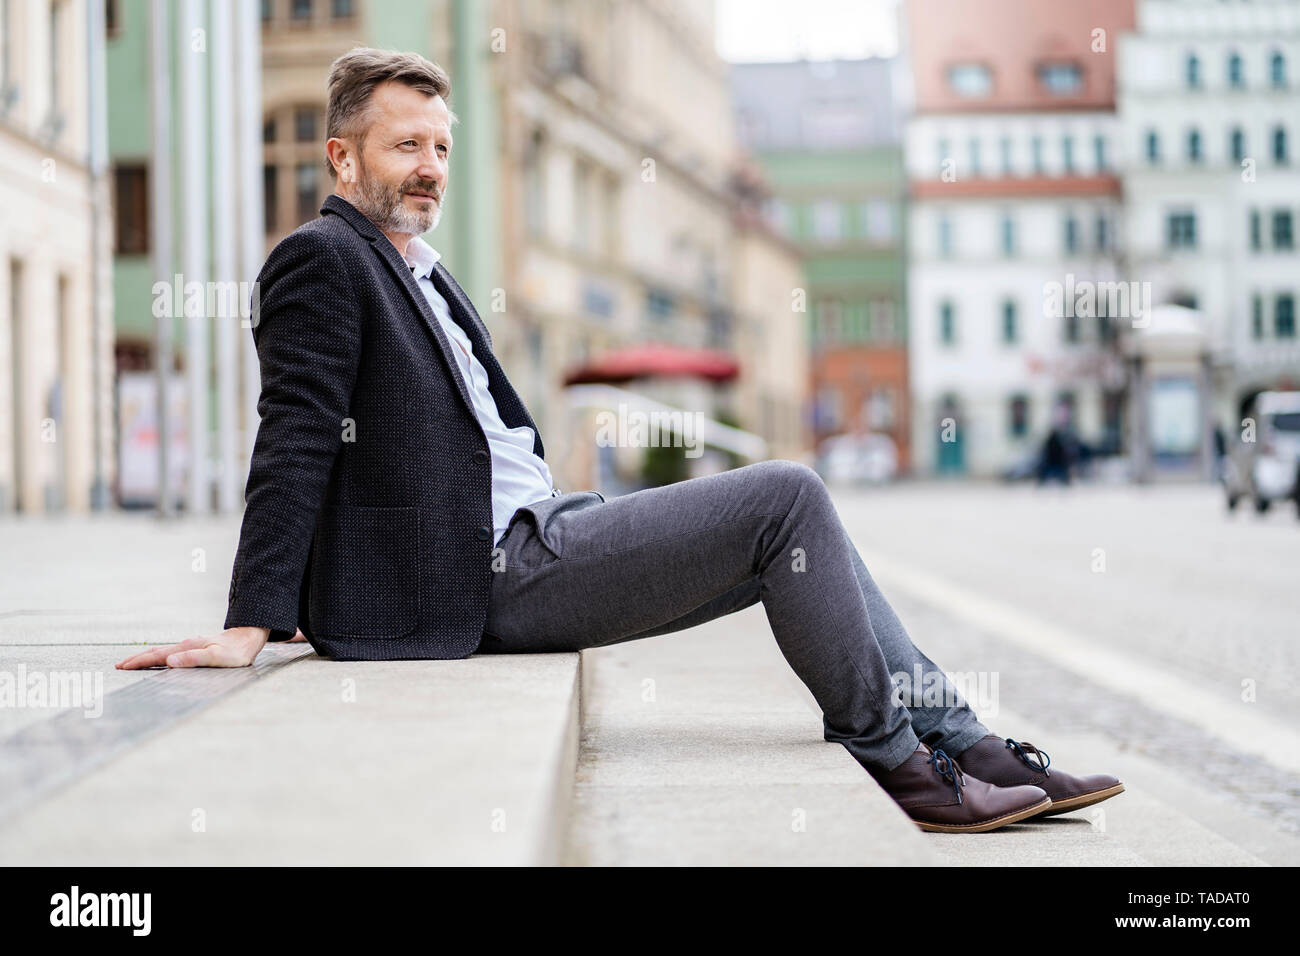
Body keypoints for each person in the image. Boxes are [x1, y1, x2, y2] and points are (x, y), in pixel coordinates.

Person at [117, 48, 1123, 834]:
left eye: (439, 148)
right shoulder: (320, 258)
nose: (429, 169)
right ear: (340, 157)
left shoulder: (417, 264)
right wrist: (254, 615)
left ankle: (969, 746)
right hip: (480, 567)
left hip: (539, 525)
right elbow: (294, 434)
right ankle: (901, 760)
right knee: (784, 497)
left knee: (798, 524)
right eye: (402, 147)